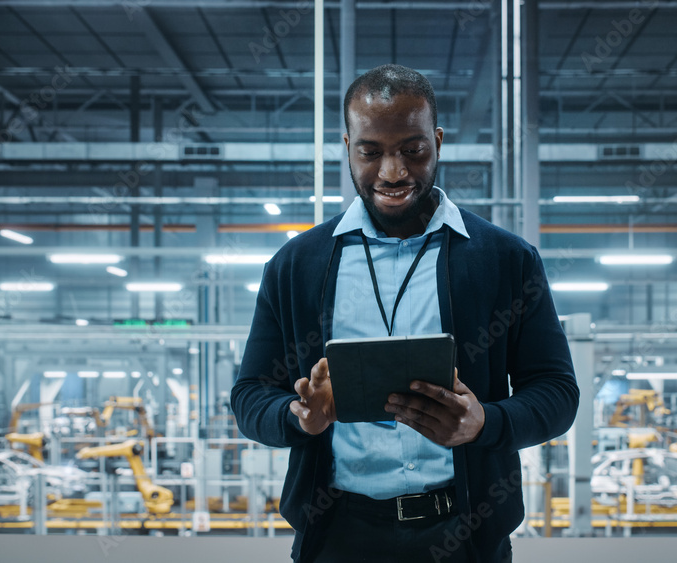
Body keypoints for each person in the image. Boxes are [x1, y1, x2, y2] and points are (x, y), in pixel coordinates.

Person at [232, 64, 579, 562]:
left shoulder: (505, 260)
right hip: (337, 536)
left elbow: (556, 392)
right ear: (348, 145)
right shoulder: (297, 266)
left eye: (412, 150)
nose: (393, 172)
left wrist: (484, 424)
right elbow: (249, 396)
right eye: (370, 152)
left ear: (437, 140)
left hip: (466, 536)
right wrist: (299, 417)